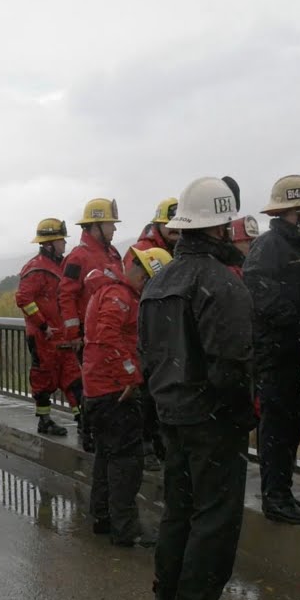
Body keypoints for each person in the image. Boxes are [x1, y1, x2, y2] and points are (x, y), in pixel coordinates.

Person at [139, 176, 254, 600]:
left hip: (173, 415)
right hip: (211, 419)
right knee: (215, 521)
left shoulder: (158, 280)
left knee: (180, 515)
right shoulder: (219, 284)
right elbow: (231, 365)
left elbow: (147, 357)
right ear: (221, 226)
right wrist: (242, 414)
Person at [244, 175, 300, 526]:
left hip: (291, 355)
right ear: (294, 211)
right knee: (278, 430)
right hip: (276, 357)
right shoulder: (270, 247)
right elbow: (263, 300)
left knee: (289, 427)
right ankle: (276, 499)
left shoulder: (294, 247)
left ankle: (283, 493)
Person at [83, 247, 172, 546]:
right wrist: (131, 375)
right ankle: (125, 528)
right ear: (142, 273)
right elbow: (107, 337)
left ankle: (103, 518)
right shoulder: (120, 297)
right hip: (113, 392)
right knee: (126, 462)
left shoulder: (112, 292)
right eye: (149, 281)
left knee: (107, 457)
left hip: (99, 389)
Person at [59, 198, 123, 452]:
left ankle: (105, 433)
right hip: (89, 335)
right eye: (110, 225)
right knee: (92, 387)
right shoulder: (79, 257)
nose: (114, 229)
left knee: (111, 384)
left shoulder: (112, 253)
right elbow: (65, 294)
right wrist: (74, 333)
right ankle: (89, 433)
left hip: (111, 332)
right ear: (96, 226)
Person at [123, 198, 181, 474]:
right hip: (145, 331)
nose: (175, 230)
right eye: (170, 225)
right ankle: (146, 444)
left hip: (167, 331)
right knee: (147, 393)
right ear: (159, 223)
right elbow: (132, 286)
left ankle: (158, 443)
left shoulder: (176, 250)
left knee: (160, 393)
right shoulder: (143, 252)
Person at [15, 218, 84, 437]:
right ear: (48, 244)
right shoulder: (36, 269)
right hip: (43, 337)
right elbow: (24, 299)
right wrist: (43, 325)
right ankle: (44, 420)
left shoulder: (60, 266)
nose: (64, 244)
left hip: (61, 337)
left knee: (73, 379)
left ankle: (84, 421)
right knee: (44, 379)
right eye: (60, 240)